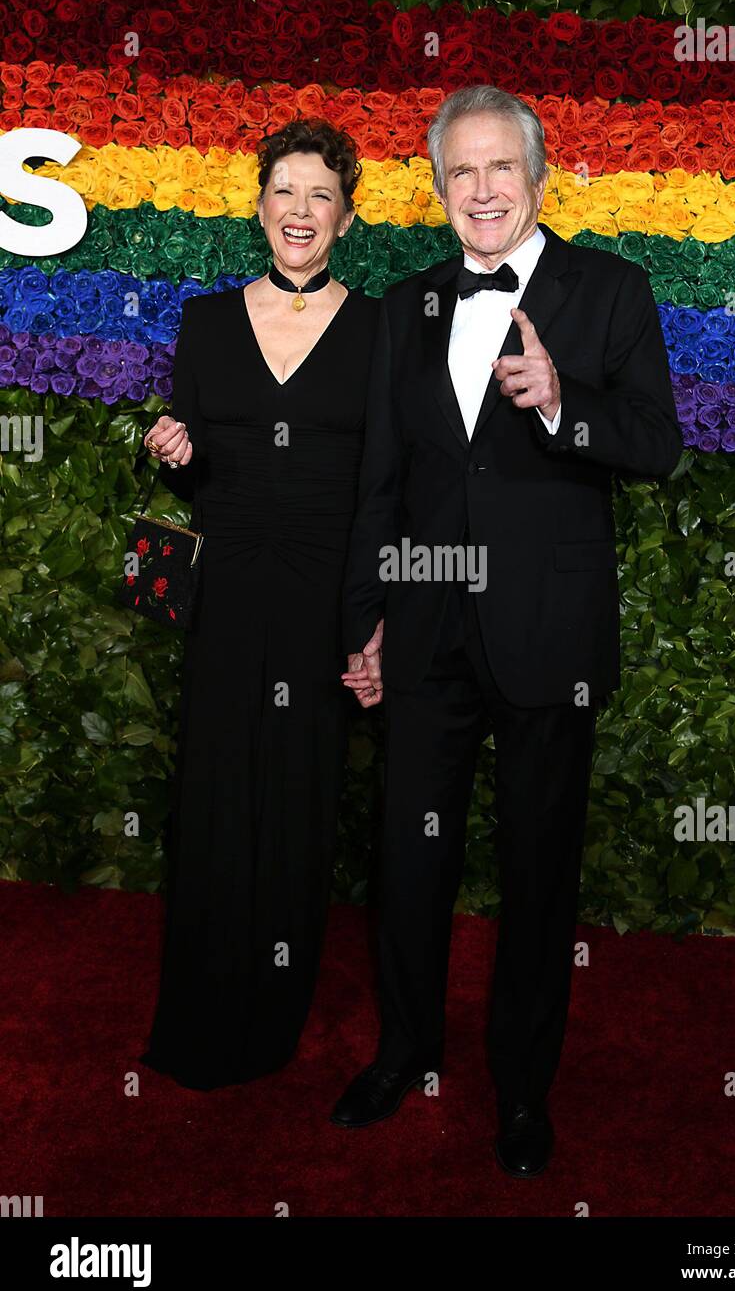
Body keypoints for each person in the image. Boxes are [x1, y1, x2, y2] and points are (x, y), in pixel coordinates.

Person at [334, 85, 683, 1175]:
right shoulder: (405, 305)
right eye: (459, 173)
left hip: (547, 638)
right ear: (437, 188)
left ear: (537, 177)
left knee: (539, 876)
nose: (480, 191)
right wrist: (368, 622)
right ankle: (404, 1050)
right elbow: (380, 481)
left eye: (499, 169)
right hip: (428, 628)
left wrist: (557, 401)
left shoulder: (610, 290)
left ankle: (523, 1093)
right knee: (407, 863)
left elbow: (656, 443)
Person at [138, 119, 380, 1090]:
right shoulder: (203, 321)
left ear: (346, 219)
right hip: (228, 589)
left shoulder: (379, 329)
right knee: (214, 796)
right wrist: (170, 452)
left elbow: (386, 484)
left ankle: (273, 1014)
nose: (299, 211)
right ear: (258, 205)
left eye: (319, 195)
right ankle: (199, 1009)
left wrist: (373, 613)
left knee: (298, 800)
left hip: (322, 594)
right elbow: (190, 475)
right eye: (284, 190)